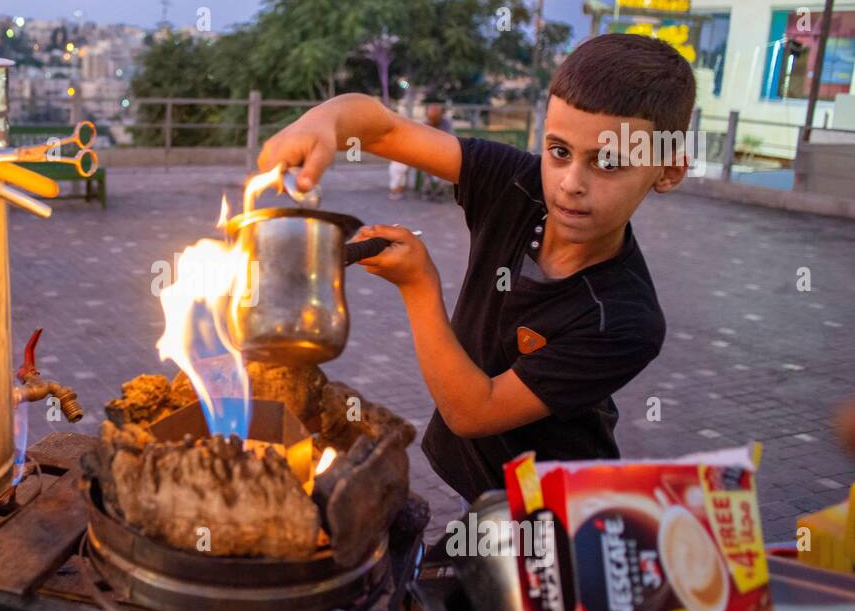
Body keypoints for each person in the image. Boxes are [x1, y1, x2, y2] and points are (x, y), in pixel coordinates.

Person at [259, 34, 692, 502]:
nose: (570, 183)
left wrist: (418, 284)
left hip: (550, 509)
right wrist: (322, 121)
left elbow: (473, 412)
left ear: (667, 171)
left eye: (607, 162)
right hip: (482, 487)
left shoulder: (624, 318)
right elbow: (382, 130)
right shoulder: (514, 185)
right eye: (559, 151)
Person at [387, 101, 452, 200]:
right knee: (398, 166)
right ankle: (398, 189)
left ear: (440, 115)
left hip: (440, 155)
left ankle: (437, 193)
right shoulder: (424, 123)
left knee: (440, 174)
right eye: (430, 117)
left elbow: (447, 141)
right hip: (422, 153)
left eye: (435, 117)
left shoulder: (446, 124)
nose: (432, 119)